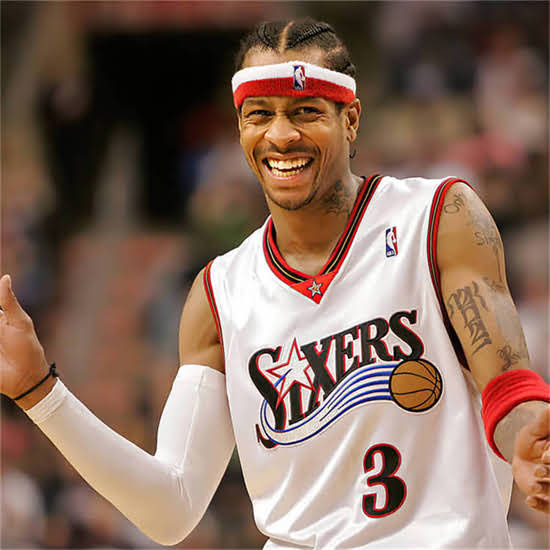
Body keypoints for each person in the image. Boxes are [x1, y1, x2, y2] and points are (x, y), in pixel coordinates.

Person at [1, 18, 549, 549]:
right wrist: (38, 392)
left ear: (351, 119)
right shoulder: (219, 294)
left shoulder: (437, 218)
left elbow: (508, 387)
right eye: (259, 114)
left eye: (305, 111)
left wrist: (528, 440)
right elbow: (171, 509)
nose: (281, 135)